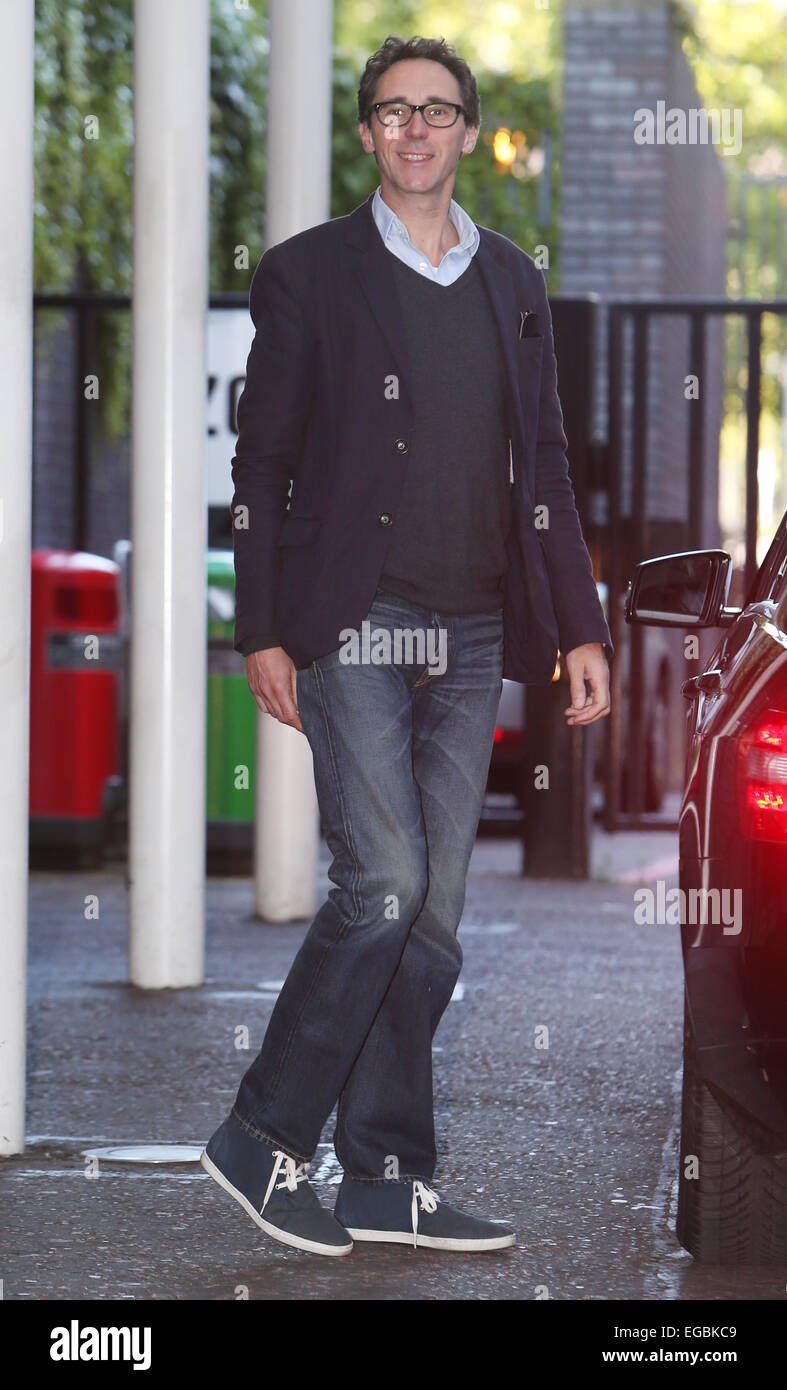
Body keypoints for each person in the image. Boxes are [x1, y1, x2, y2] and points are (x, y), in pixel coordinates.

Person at [201, 33, 612, 1257]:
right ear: (369, 134)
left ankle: (387, 1174)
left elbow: (542, 464)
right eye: (394, 111)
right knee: (378, 882)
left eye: (439, 110)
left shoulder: (512, 283)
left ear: (467, 132)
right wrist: (262, 625)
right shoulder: (307, 275)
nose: (417, 129)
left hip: (476, 628)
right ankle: (262, 1140)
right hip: (359, 622)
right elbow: (259, 464)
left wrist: (578, 625)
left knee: (431, 913)